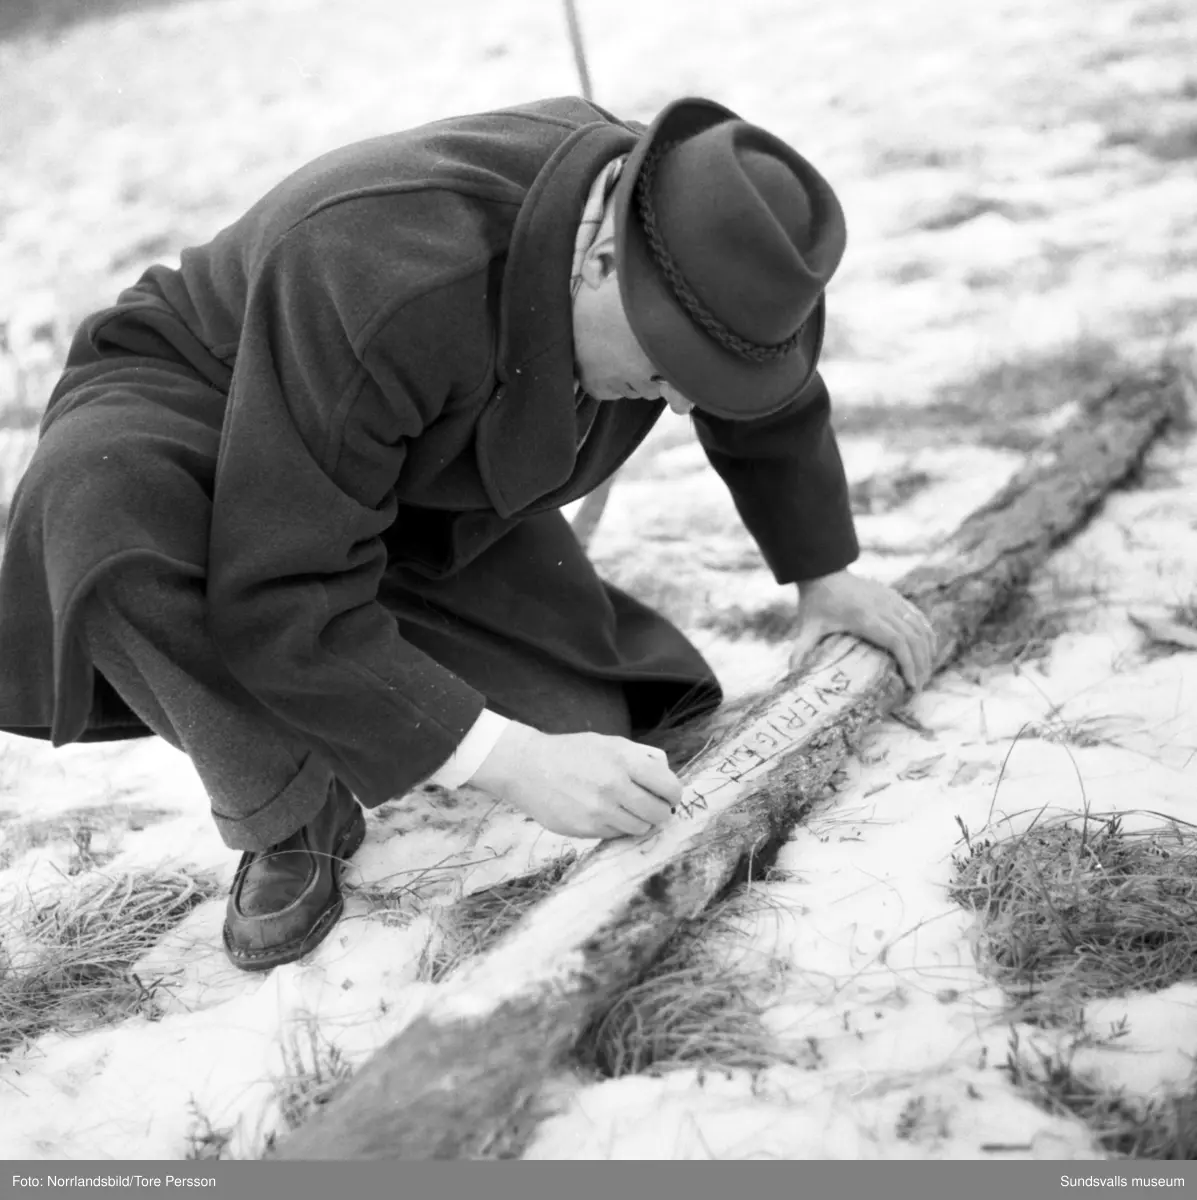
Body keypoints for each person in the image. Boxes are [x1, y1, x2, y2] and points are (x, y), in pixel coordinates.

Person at [0, 95, 935, 972]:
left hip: (395, 462)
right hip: (204, 417)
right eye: (664, 370)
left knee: (588, 732)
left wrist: (823, 569)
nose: (685, 402)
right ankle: (286, 810)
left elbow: (749, 379)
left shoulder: (693, 226)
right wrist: (509, 762)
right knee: (105, 510)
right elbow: (284, 585)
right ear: (603, 265)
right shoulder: (381, 265)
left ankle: (384, 661)